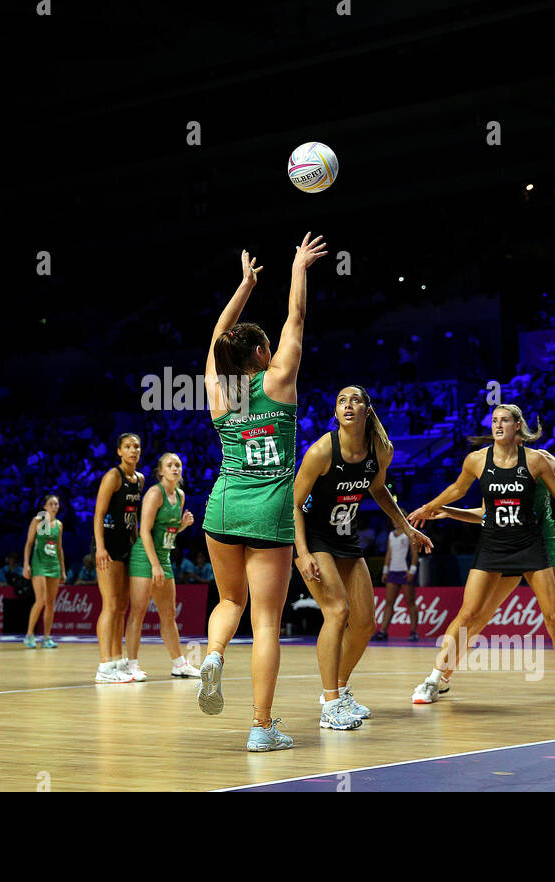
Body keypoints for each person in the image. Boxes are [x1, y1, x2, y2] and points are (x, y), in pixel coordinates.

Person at [405, 404, 555, 706]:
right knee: (471, 614)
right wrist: (431, 507)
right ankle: (436, 679)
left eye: (505, 421)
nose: (498, 425)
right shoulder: (476, 460)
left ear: (518, 426)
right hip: (494, 544)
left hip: (533, 543)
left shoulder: (537, 461)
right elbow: (460, 493)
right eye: (494, 420)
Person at [198, 232, 327, 752]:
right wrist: (298, 267)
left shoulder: (221, 394)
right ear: (261, 351)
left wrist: (244, 285)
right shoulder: (279, 379)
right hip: (270, 509)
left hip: (223, 503)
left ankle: (212, 654)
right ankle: (261, 726)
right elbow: (296, 318)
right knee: (267, 619)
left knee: (230, 598)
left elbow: (215, 338)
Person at [293, 386, 433, 730]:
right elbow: (293, 504)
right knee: (337, 611)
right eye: (341, 400)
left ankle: (339, 688)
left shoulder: (380, 450)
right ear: (336, 413)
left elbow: (379, 489)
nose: (348, 405)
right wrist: (302, 553)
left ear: (367, 410)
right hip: (316, 538)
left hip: (346, 539)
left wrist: (407, 528)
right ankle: (330, 705)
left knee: (367, 623)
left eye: (355, 400)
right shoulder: (321, 452)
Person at [414, 444, 555, 699]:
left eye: (508, 423)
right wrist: (448, 512)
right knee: (476, 617)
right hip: (505, 543)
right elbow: (487, 515)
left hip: (542, 543)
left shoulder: (538, 461)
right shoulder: (496, 468)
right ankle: (442, 676)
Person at [122, 453, 201, 679]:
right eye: (170, 465)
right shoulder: (155, 494)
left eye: (178, 464)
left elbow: (169, 532)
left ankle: (179, 664)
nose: (175, 468)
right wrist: (154, 565)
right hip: (145, 558)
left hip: (163, 558)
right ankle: (132, 665)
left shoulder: (180, 495)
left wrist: (182, 525)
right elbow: (145, 531)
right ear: (161, 472)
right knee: (137, 612)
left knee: (168, 614)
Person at [92, 433, 144, 683]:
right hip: (109, 547)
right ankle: (104, 666)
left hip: (128, 547)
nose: (133, 450)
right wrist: (99, 547)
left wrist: (137, 542)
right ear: (119, 451)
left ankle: (116, 659)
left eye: (136, 447)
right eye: (127, 447)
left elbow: (132, 517)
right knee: (110, 605)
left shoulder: (140, 480)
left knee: (122, 607)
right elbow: (98, 514)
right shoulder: (113, 476)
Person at [22, 495, 66, 649]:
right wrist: (26, 564)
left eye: (56, 504)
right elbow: (28, 543)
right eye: (51, 504)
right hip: (39, 563)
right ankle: (29, 635)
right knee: (40, 599)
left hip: (53, 564)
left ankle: (46, 637)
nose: (54, 506)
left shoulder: (59, 525)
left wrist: (63, 570)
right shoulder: (38, 521)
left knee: (51, 603)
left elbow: (59, 548)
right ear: (45, 507)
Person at [374, 508, 419, 642]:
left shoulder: (410, 534)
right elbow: (388, 554)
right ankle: (383, 631)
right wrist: (385, 571)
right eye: (392, 519)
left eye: (396, 518)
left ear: (403, 519)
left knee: (410, 602)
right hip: (393, 571)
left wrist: (412, 571)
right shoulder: (391, 535)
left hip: (405, 572)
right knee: (389, 602)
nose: (394, 521)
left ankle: (414, 631)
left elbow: (415, 554)